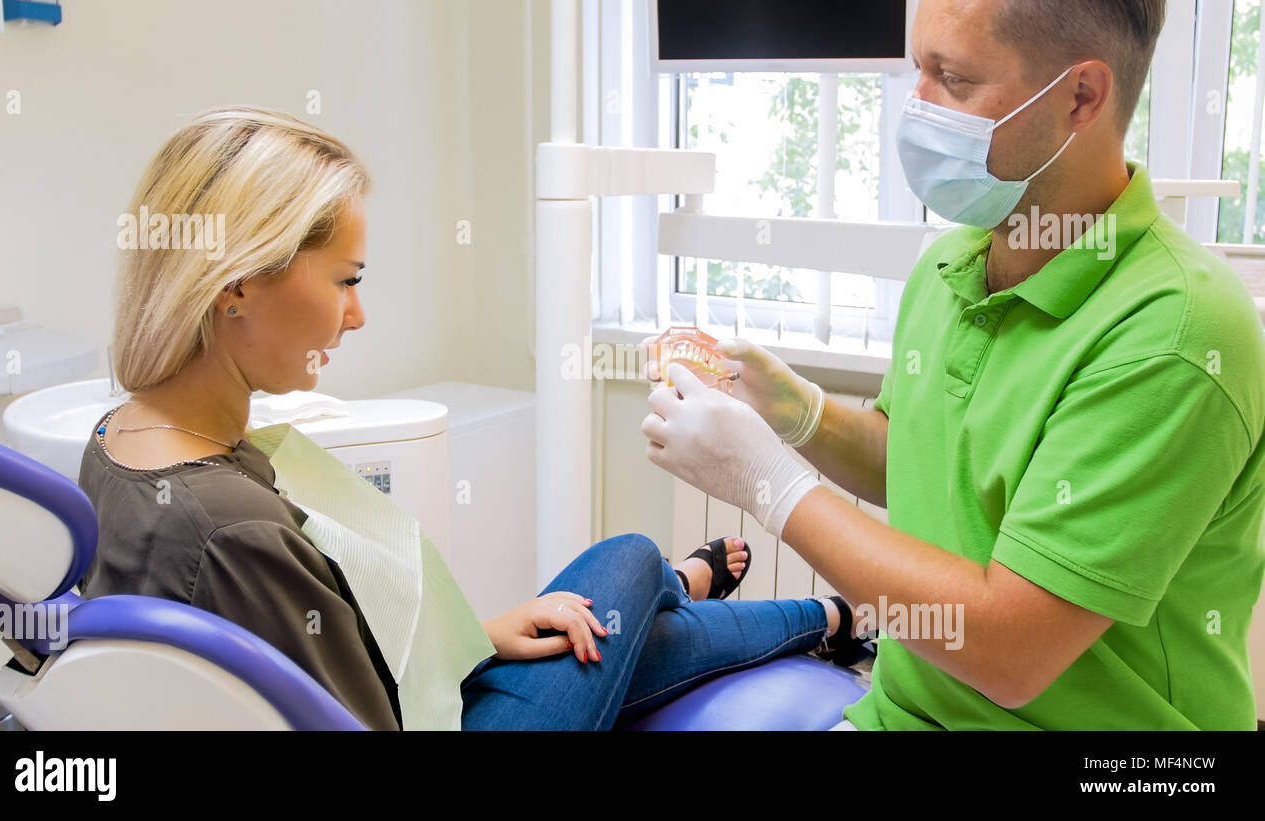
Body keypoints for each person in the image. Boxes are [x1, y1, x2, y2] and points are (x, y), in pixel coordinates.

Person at [78, 105, 860, 731]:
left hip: (407, 687)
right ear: (236, 283)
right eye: (345, 280)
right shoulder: (231, 528)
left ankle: (805, 612)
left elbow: (338, 660)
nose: (356, 316)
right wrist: (476, 662)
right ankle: (777, 604)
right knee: (625, 563)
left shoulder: (118, 441)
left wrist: (481, 636)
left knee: (603, 622)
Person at [643, 0, 1265, 730]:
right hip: (902, 712)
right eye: (919, 69)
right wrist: (796, 410)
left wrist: (768, 482)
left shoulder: (1177, 331)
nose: (918, 108)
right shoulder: (954, 259)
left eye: (955, 79)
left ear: (1081, 96)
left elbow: (1011, 647)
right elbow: (914, 456)